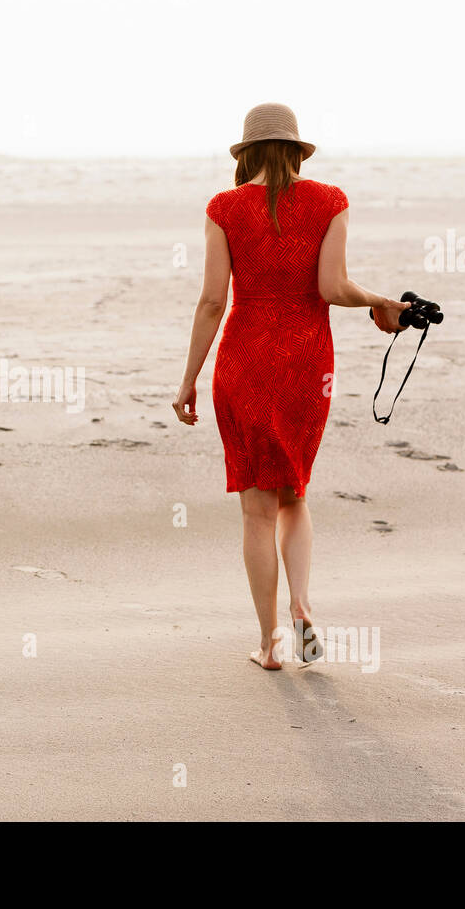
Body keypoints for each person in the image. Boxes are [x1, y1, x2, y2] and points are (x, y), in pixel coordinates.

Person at [172, 103, 409, 670]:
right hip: (307, 363)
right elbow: (331, 288)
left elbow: (212, 301)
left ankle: (268, 644)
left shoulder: (224, 209)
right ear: (297, 150)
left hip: (245, 362)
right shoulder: (330, 202)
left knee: (256, 509)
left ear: (246, 153)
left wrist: (188, 380)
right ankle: (302, 605)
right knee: (295, 495)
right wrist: (379, 302)